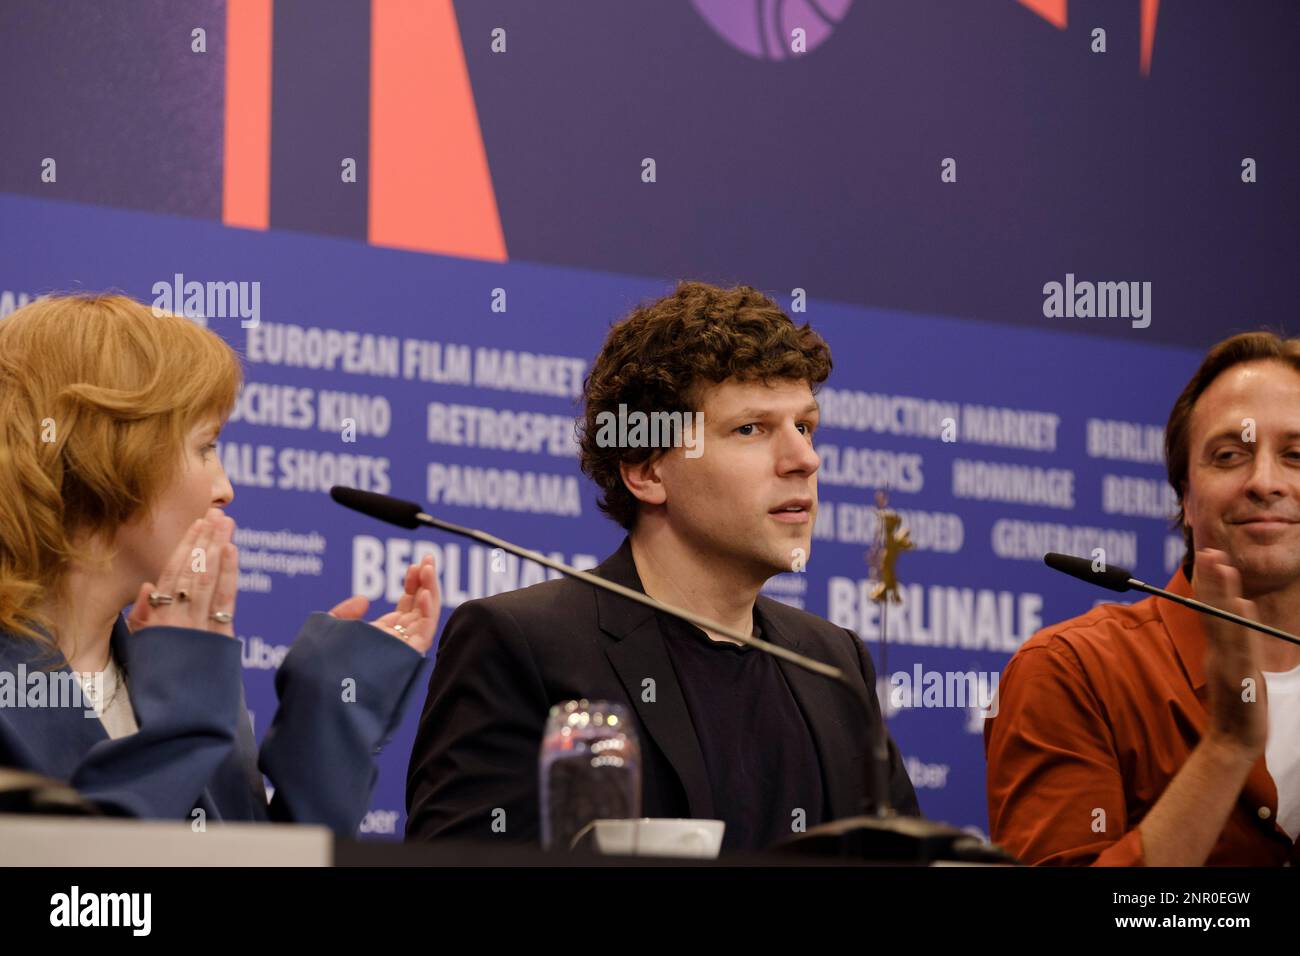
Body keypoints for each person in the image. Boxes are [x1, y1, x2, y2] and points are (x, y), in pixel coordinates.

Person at [406, 281, 918, 849]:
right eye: (750, 429)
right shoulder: (523, 646)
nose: (804, 459)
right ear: (647, 470)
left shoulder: (834, 664)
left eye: (805, 426)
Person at [0, 293, 441, 834]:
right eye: (206, 446)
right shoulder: (183, 676)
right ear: (106, 453)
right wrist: (185, 711)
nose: (225, 488)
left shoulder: (178, 666)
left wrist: (331, 714)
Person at [986, 331, 1300, 865]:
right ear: (1185, 494)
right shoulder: (1072, 671)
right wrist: (1225, 748)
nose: (1265, 481)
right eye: (1229, 455)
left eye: (1296, 455)